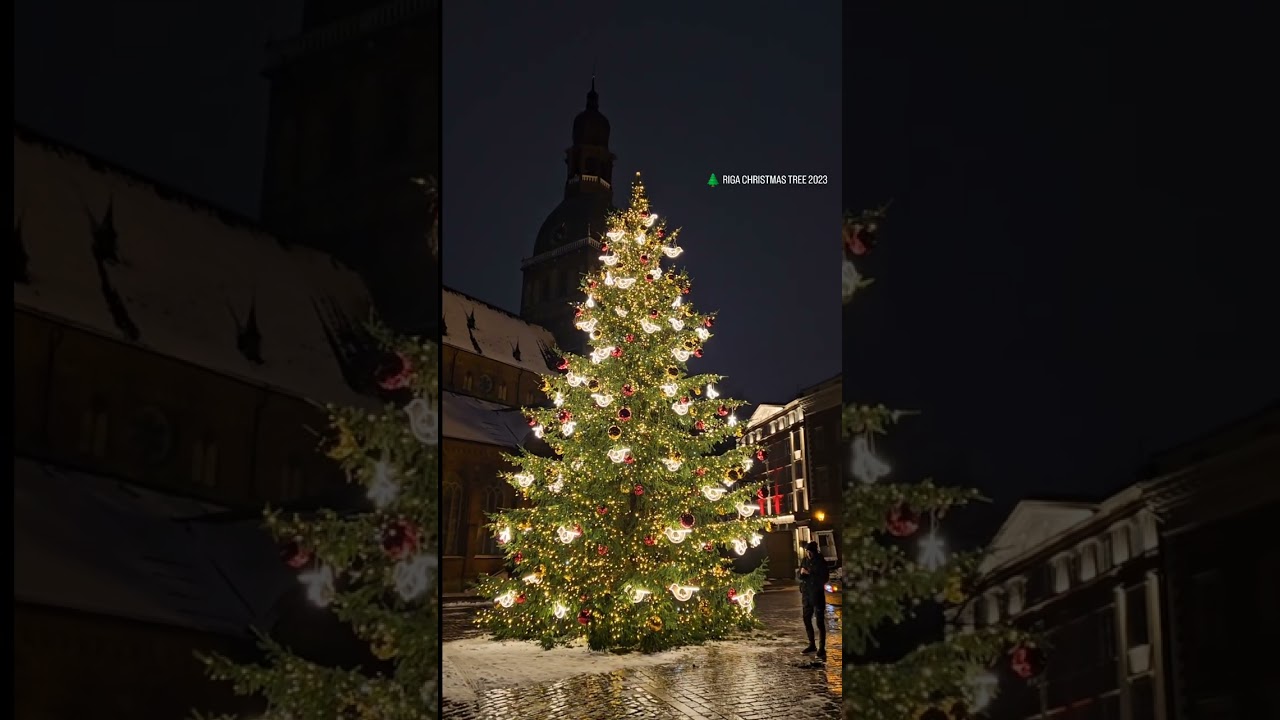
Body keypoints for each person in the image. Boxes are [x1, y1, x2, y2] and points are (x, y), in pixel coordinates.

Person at [798, 540, 829, 660]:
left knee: (819, 622)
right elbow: (799, 575)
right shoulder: (805, 560)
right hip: (806, 595)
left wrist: (809, 573)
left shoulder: (820, 561)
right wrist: (801, 574)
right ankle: (812, 644)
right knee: (806, 619)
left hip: (817, 595)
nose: (808, 554)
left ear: (814, 552)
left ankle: (822, 648)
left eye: (810, 552)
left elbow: (824, 578)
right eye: (807, 551)